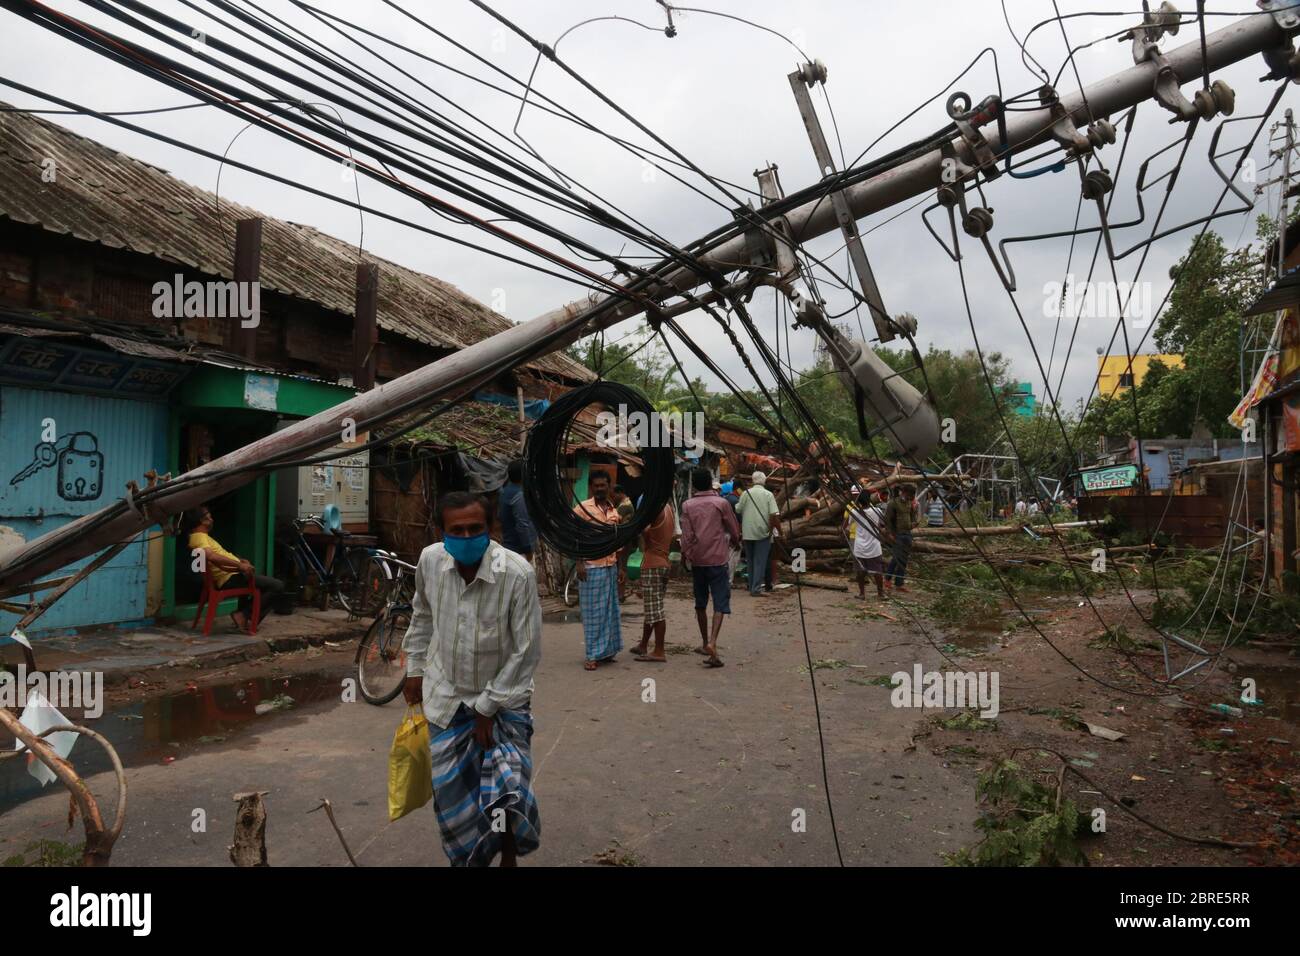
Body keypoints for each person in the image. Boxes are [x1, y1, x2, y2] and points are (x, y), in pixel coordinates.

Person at [401, 491, 542, 868]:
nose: (466, 538)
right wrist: (414, 668)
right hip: (445, 697)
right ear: (441, 532)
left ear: (491, 529)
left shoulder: (516, 573)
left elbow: (526, 650)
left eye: (474, 529)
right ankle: (467, 859)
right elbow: (422, 615)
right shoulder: (430, 561)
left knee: (507, 790)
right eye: (457, 530)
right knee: (452, 796)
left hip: (504, 700)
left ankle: (508, 857)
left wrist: (486, 707)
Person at [184, 505, 284, 634]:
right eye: (208, 518)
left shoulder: (202, 537)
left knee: (262, 584)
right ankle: (244, 615)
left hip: (232, 574)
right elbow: (211, 556)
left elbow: (216, 556)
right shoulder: (199, 537)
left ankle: (244, 615)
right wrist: (239, 566)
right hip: (229, 578)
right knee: (277, 586)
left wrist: (239, 562)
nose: (212, 520)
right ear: (201, 521)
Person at [680, 466, 740, 667]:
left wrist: (684, 555)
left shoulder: (687, 505)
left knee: (700, 602)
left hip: (698, 560)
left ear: (694, 485)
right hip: (718, 559)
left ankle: (705, 641)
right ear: (710, 482)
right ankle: (713, 642)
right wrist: (736, 541)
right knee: (720, 602)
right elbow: (734, 529)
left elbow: (686, 536)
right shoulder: (721, 503)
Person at [572, 471, 626, 671]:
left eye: (603, 485)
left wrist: (620, 568)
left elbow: (617, 543)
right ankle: (592, 655)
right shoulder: (582, 509)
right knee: (593, 614)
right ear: (591, 487)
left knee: (610, 611)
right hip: (591, 567)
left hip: (610, 566)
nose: (600, 488)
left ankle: (607, 651)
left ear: (609, 486)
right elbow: (575, 537)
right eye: (596, 485)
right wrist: (579, 563)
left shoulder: (614, 512)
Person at [631, 500, 676, 663]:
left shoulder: (656, 509)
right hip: (663, 561)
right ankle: (643, 644)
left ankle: (659, 650)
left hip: (653, 563)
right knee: (652, 606)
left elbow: (646, 535)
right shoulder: (669, 509)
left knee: (655, 610)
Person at [736, 470, 780, 596]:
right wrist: (771, 530)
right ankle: (755, 589)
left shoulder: (746, 493)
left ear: (752, 480)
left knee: (750, 561)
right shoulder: (768, 495)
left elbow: (738, 509)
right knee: (760, 561)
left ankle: (752, 586)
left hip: (748, 531)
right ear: (764, 481)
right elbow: (773, 514)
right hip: (763, 531)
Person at [846, 489, 886, 600]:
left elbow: (845, 526)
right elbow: (882, 524)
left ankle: (862, 594)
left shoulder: (854, 512)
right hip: (874, 547)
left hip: (860, 547)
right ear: (869, 500)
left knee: (860, 572)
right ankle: (880, 594)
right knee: (878, 571)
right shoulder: (877, 511)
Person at [498, 458, 536, 560]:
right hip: (518, 550)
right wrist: (528, 549)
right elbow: (523, 524)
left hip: (508, 544)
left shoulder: (504, 491)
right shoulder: (519, 495)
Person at [883, 484, 916, 592]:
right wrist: (889, 533)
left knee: (904, 560)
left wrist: (913, 524)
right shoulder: (893, 503)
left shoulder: (909, 503)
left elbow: (912, 516)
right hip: (897, 534)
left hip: (908, 533)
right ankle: (887, 579)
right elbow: (887, 520)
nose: (912, 497)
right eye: (911, 494)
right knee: (897, 558)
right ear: (905, 492)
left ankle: (899, 583)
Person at [722, 478, 742, 584]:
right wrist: (738, 536)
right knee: (732, 559)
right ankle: (729, 581)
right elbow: (739, 521)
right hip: (732, 533)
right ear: (738, 489)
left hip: (722, 532)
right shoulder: (736, 501)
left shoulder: (725, 499)